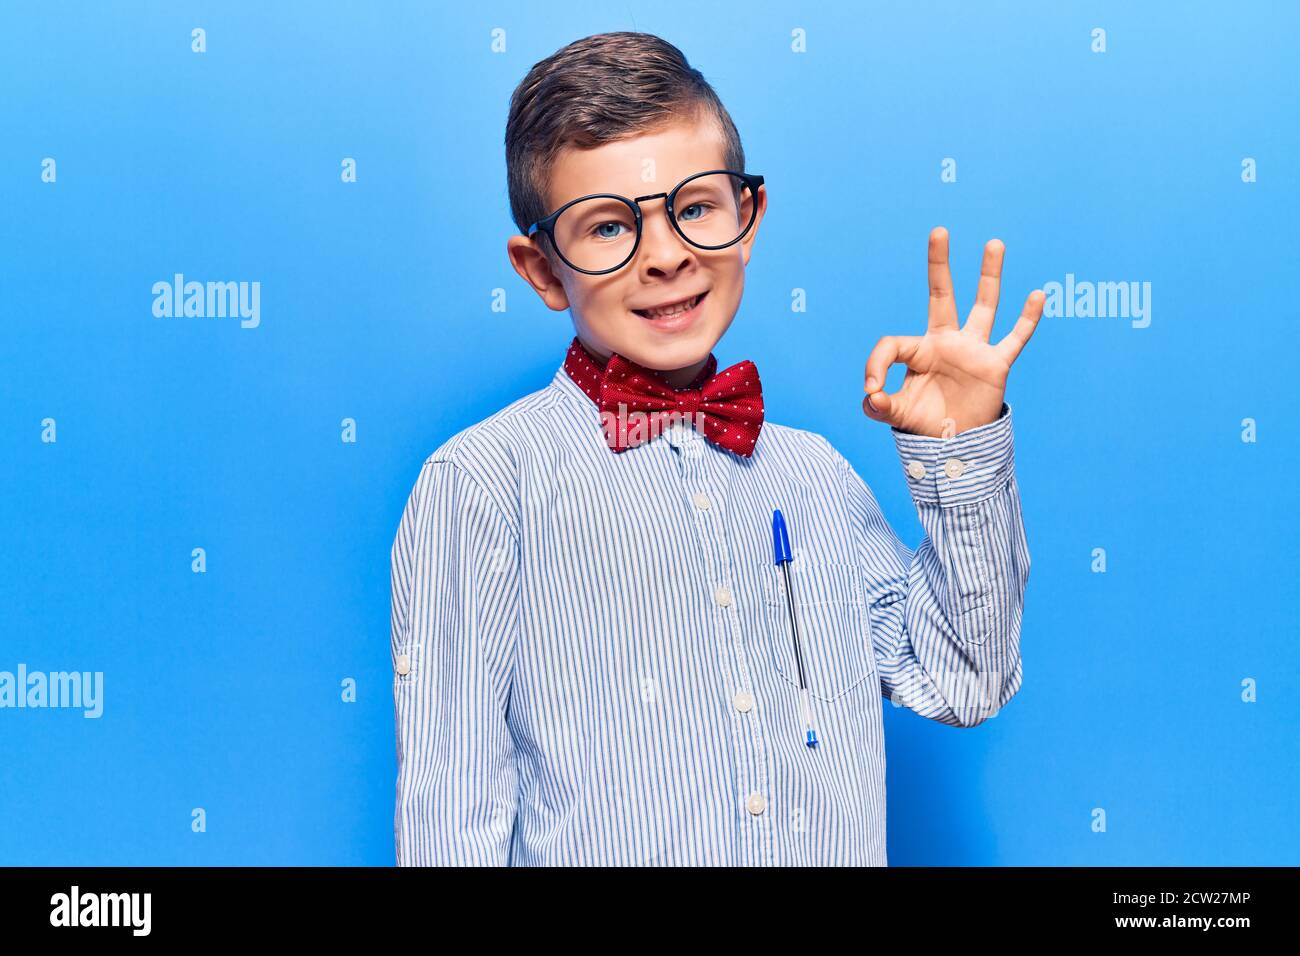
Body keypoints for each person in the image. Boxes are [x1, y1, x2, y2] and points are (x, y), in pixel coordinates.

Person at [390, 31, 1042, 866]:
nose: (665, 257)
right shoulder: (482, 487)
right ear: (542, 270)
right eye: (606, 228)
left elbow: (964, 677)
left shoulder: (816, 477)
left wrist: (962, 453)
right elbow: (452, 817)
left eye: (695, 207)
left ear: (749, 216)